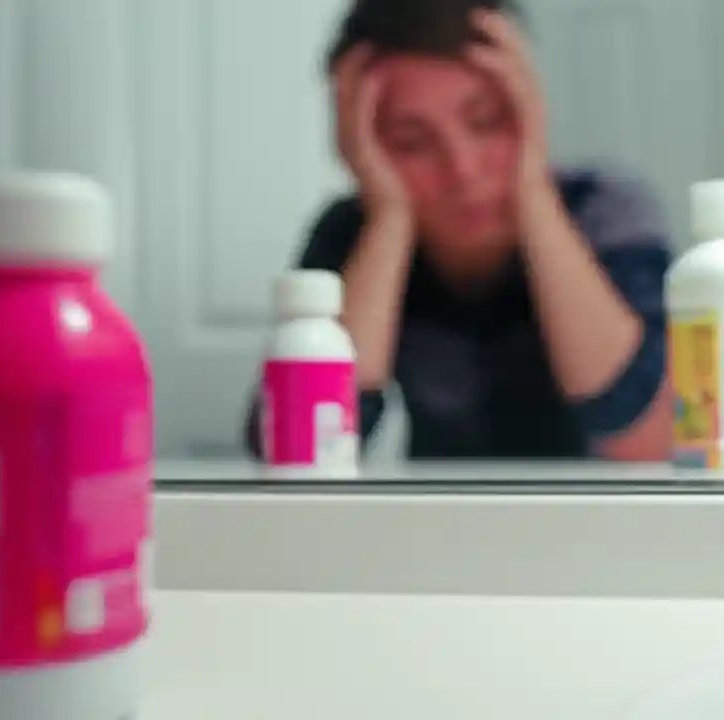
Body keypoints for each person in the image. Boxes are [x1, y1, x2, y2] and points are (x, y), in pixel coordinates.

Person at [245, 0, 673, 461]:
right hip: (441, 525)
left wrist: (532, 194)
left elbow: (639, 434)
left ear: (528, 111)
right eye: (412, 142)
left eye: (486, 121)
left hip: (601, 528)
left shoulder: (606, 208)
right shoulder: (356, 232)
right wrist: (389, 221)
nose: (463, 170)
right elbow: (295, 450)